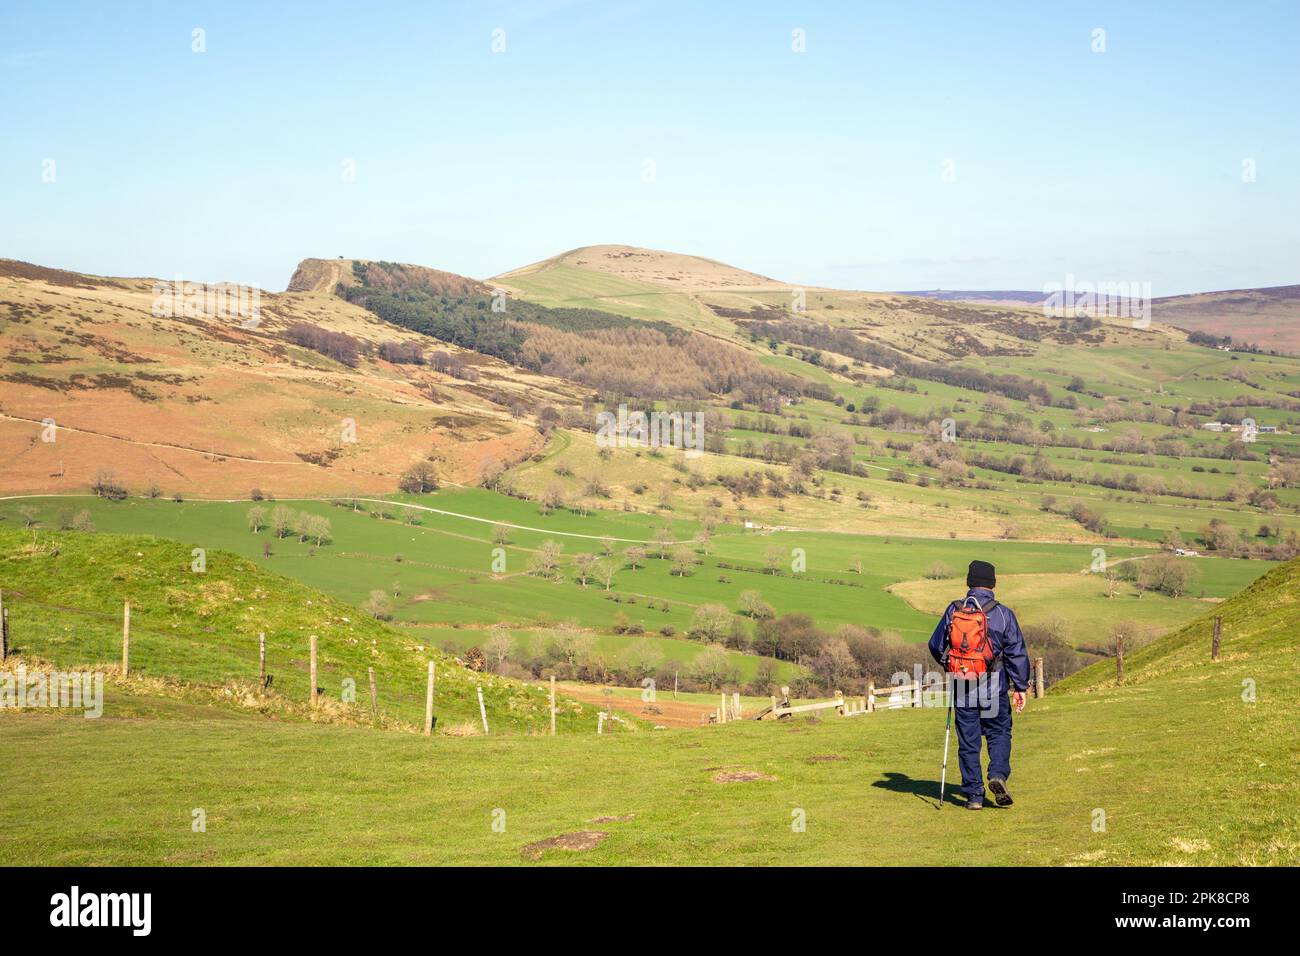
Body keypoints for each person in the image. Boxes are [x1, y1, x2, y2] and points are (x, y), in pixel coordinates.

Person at [927, 560, 1030, 810]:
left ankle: (974, 795)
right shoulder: (1003, 614)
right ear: (992, 583)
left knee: (969, 741)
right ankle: (997, 774)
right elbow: (1016, 653)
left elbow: (935, 645)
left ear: (969, 582)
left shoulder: (954, 610)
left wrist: (952, 666)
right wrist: (1020, 687)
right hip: (994, 687)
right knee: (999, 732)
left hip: (963, 686)